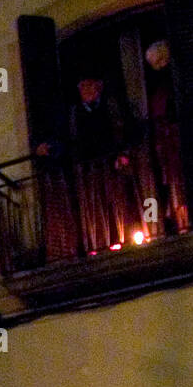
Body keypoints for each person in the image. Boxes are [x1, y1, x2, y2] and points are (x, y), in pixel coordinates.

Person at [68, 75, 141, 253]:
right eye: (83, 87)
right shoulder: (76, 113)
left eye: (90, 86)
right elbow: (74, 140)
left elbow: (121, 129)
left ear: (98, 87)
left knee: (118, 201)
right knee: (96, 204)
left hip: (112, 163)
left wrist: (122, 153)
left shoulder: (110, 106)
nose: (87, 91)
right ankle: (101, 242)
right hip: (91, 168)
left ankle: (124, 237)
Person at [143, 40, 189, 235]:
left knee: (181, 183)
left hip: (179, 142)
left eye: (162, 61)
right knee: (172, 183)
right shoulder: (159, 89)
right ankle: (176, 220)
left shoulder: (177, 80)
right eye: (156, 64)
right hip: (167, 145)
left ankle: (185, 219)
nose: (160, 66)